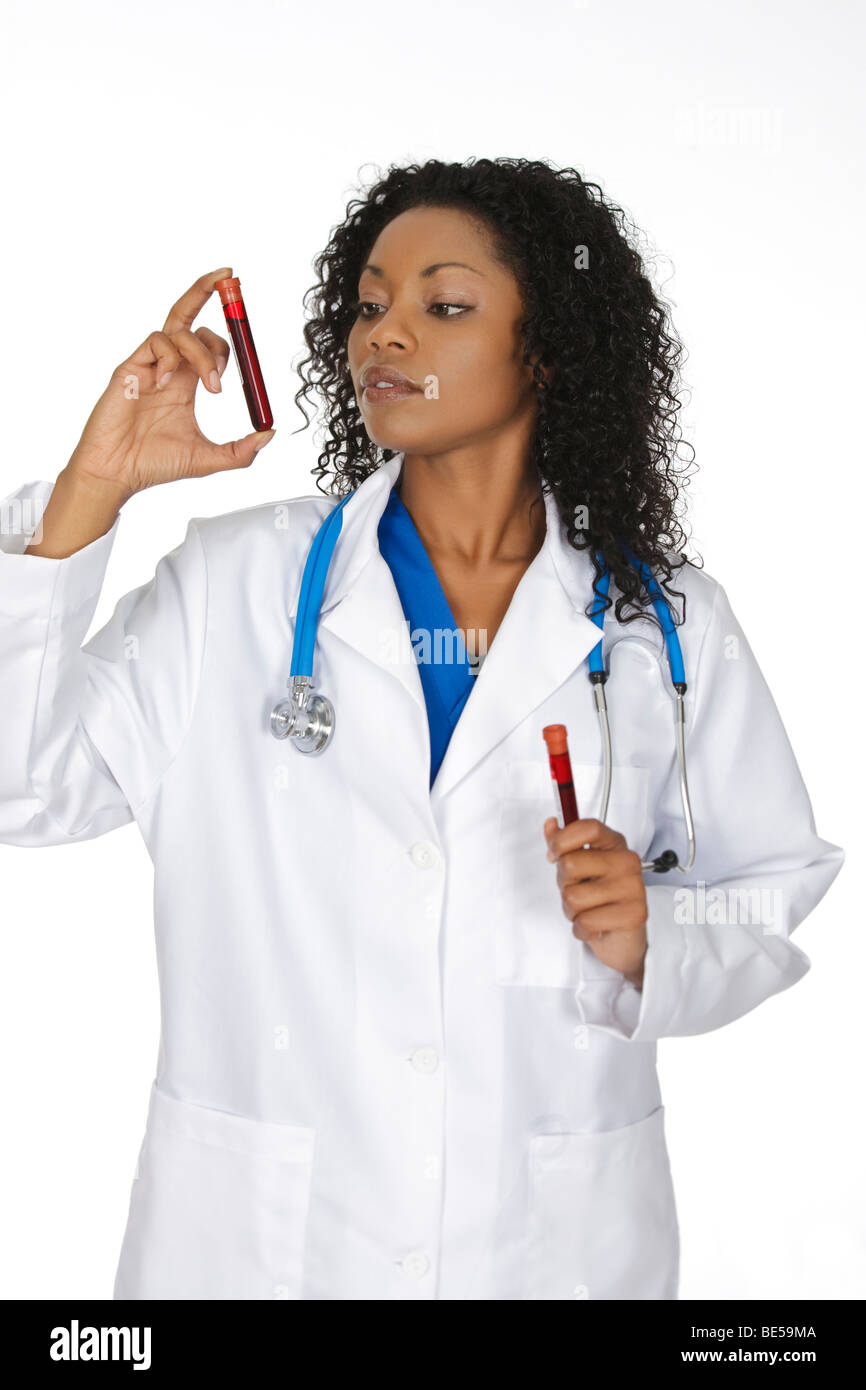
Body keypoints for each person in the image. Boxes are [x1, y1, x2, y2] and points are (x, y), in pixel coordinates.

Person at [0, 157, 844, 1301]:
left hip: (550, 1249)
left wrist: (656, 939)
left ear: (545, 348)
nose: (382, 336)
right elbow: (25, 786)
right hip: (263, 1254)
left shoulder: (663, 623)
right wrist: (86, 494)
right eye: (367, 303)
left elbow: (773, 880)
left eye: (441, 307)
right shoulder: (239, 585)